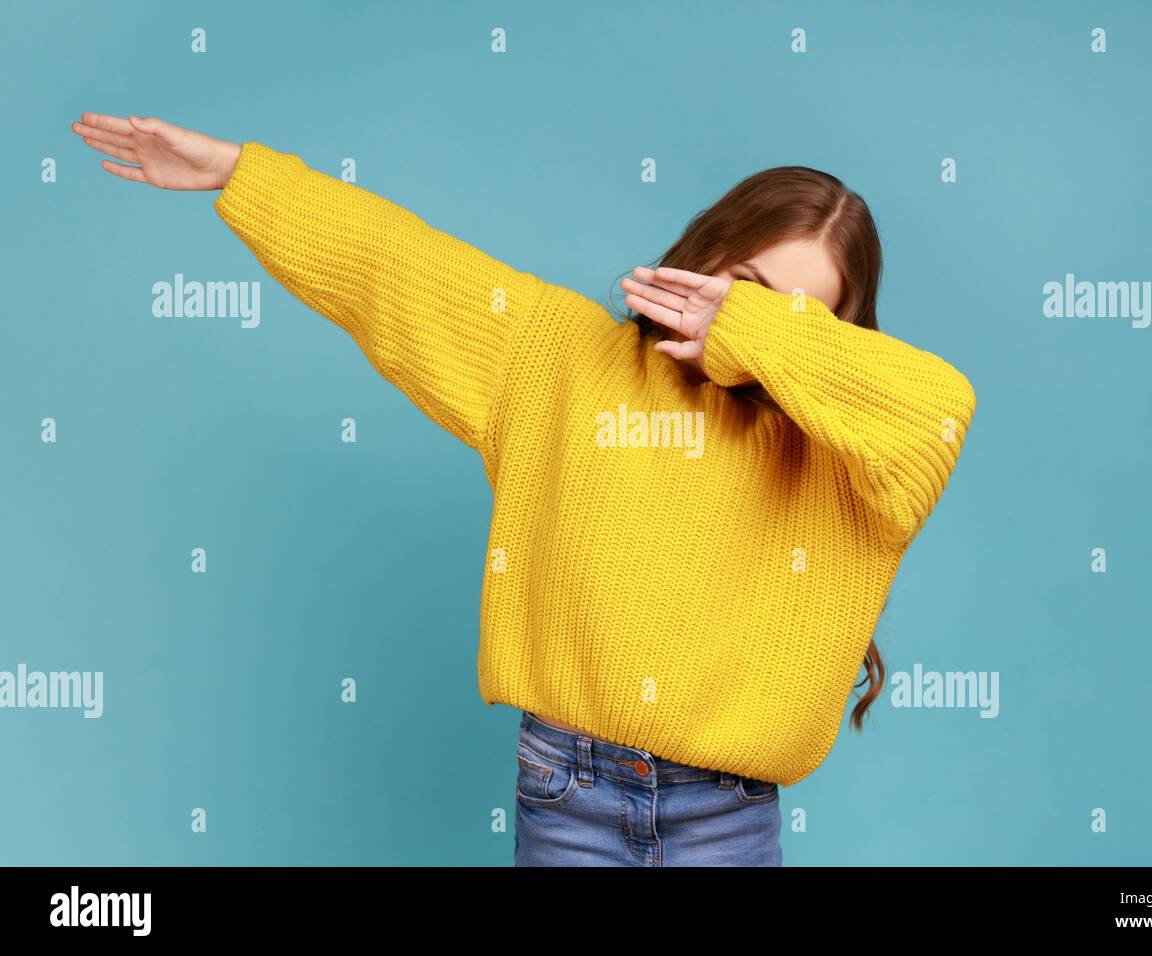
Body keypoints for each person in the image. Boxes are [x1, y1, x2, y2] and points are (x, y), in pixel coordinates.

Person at [72, 112, 977, 867]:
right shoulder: (562, 359)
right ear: (706, 252)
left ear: (831, 338)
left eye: (796, 313)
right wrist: (242, 175)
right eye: (740, 286)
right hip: (568, 793)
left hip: (729, 819)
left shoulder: (847, 454)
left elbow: (943, 405)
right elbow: (396, 269)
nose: (736, 320)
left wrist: (762, 338)